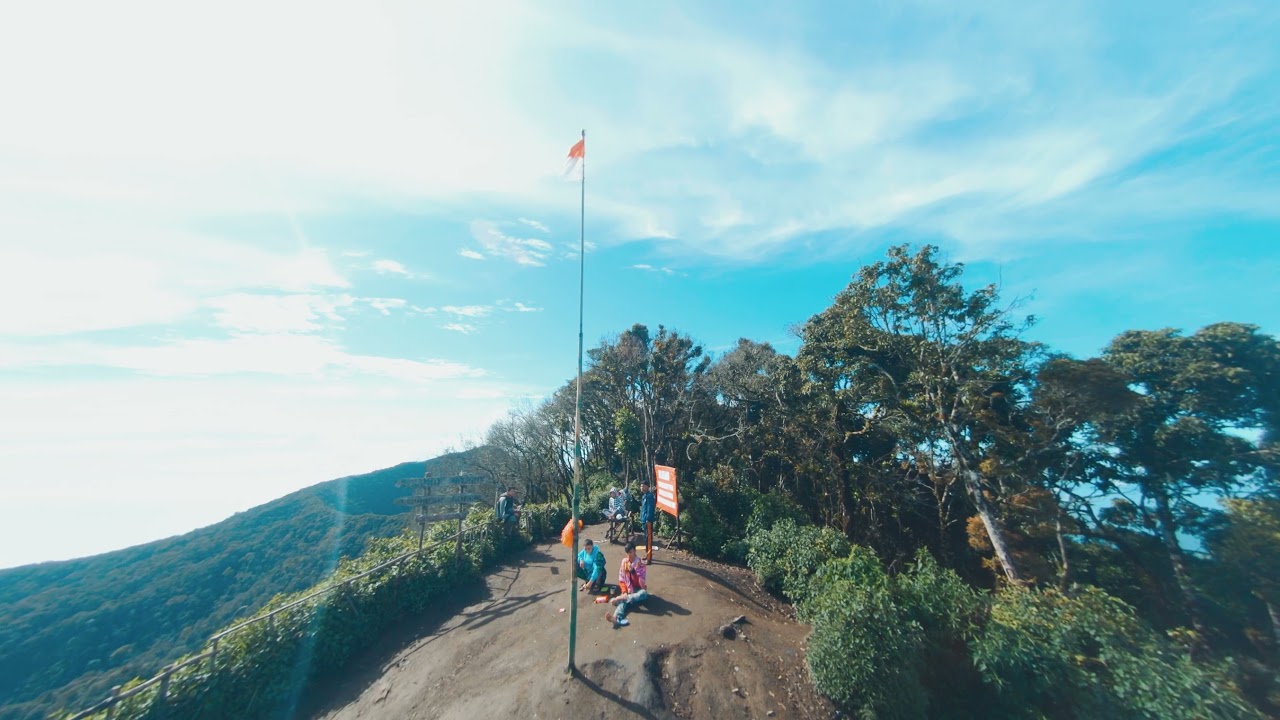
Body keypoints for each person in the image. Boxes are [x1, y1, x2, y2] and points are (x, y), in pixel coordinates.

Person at [606, 541, 648, 627]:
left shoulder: (640, 564)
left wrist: (633, 572)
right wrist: (624, 591)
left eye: (630, 552)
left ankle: (621, 598)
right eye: (627, 553)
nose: (629, 555)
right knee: (623, 602)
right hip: (628, 590)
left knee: (643, 593)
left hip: (637, 589)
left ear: (635, 551)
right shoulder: (624, 562)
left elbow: (641, 584)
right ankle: (616, 618)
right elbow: (622, 579)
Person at [639, 480, 657, 563]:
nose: (642, 487)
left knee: (649, 539)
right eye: (641, 486)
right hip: (644, 520)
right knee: (646, 538)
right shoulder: (644, 496)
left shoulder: (649, 496)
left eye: (644, 486)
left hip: (648, 521)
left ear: (648, 487)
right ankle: (647, 554)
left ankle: (649, 558)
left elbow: (650, 509)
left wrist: (648, 519)